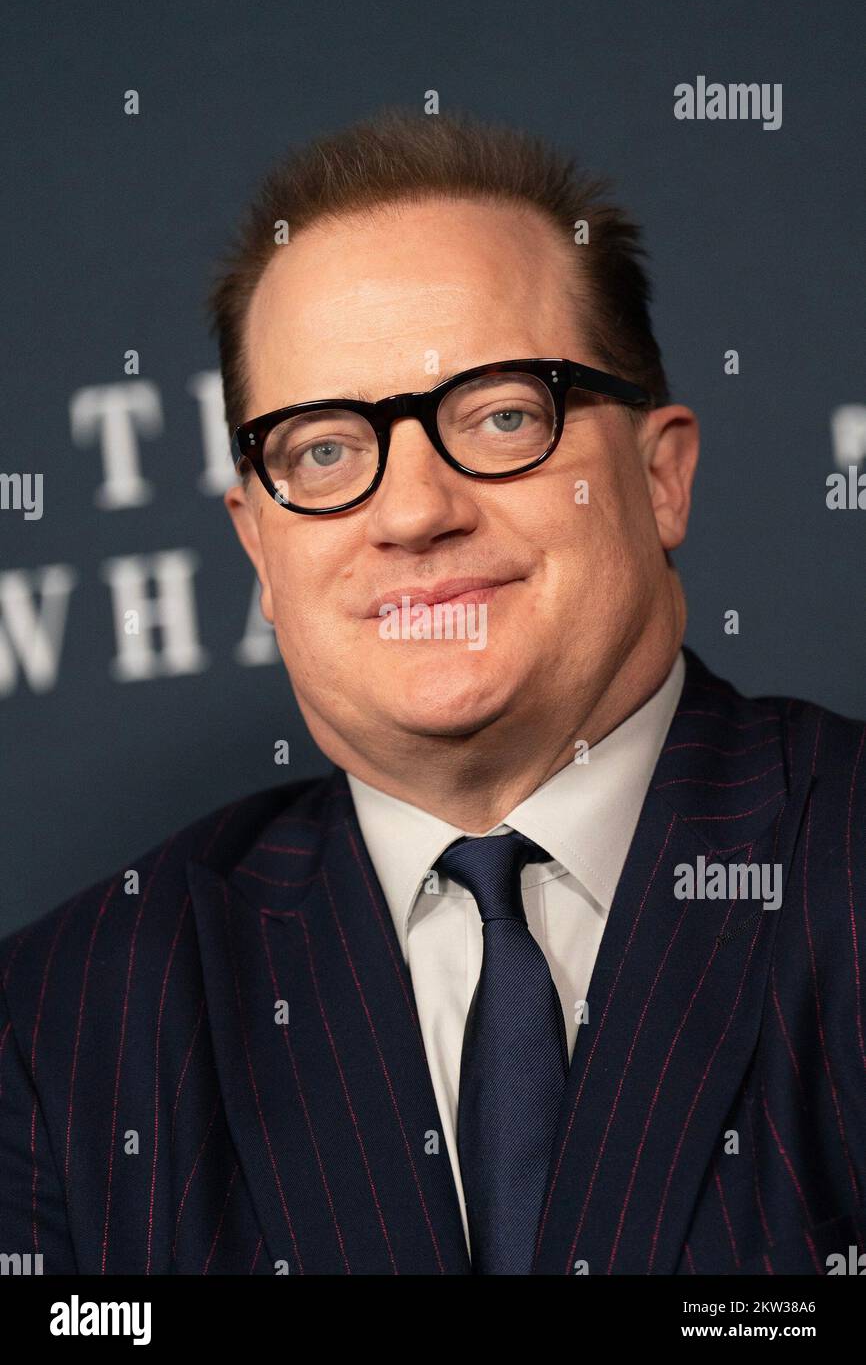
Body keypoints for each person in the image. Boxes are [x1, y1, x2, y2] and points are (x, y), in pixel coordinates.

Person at [1, 110, 863, 1276]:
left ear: (659, 477)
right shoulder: (66, 1024)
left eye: (503, 414)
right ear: (257, 547)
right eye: (321, 450)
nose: (412, 512)